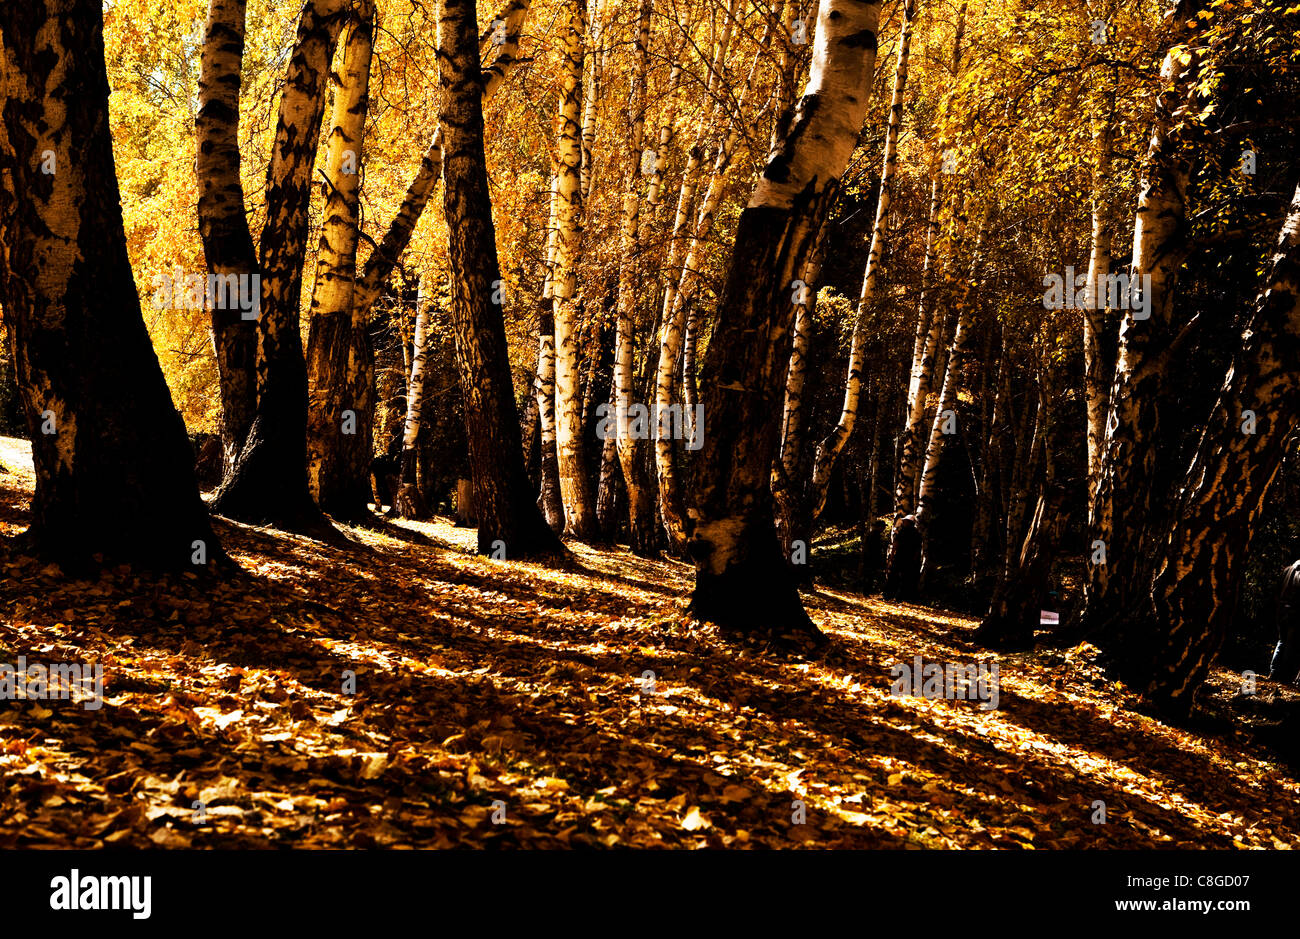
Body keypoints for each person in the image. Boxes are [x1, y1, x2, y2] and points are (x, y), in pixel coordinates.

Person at [1269, 559, 1300, 684]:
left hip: (1281, 611)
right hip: (1295, 613)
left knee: (1282, 641)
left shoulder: (1287, 570)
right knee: (1292, 645)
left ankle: (1274, 671)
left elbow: (1276, 591)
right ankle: (1285, 676)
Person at [883, 515, 922, 602]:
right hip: (909, 559)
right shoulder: (917, 533)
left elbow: (896, 544)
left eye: (905, 521)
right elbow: (918, 548)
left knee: (894, 576)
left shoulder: (902, 531)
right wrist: (915, 559)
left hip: (900, 557)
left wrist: (892, 556)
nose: (903, 522)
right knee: (905, 578)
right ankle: (899, 597)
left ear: (909, 522)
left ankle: (888, 595)